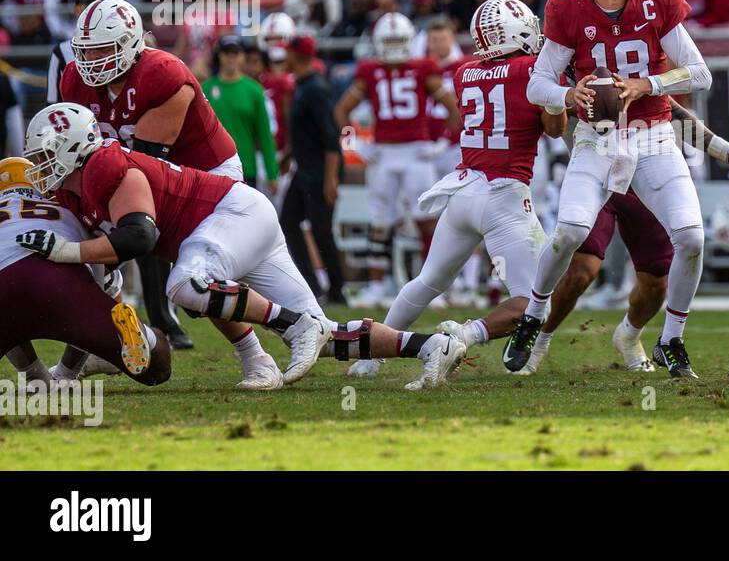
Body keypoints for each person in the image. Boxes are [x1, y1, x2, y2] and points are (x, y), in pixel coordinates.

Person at [20, 104, 467, 390]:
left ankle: (292, 328)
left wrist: (68, 252)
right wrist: (68, 367)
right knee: (324, 334)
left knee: (186, 285)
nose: (39, 166)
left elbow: (140, 237)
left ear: (74, 150)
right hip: (234, 222)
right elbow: (105, 268)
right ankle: (429, 347)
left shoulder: (104, 166)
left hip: (229, 216)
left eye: (45, 155)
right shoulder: (74, 190)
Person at [513, 0, 715, 378]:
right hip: (596, 141)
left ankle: (672, 340)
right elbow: (538, 85)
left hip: (655, 136)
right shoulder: (566, 8)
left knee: (692, 238)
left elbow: (700, 73)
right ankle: (533, 316)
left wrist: (647, 83)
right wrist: (569, 95)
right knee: (568, 232)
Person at [348, 0, 564, 378]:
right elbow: (554, 130)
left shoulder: (464, 72)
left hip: (463, 192)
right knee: (534, 303)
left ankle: (372, 355)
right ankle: (461, 335)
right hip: (505, 197)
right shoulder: (532, 69)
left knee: (428, 281)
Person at [522, 98, 729, 374]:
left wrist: (725, 151)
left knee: (655, 283)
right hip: (596, 182)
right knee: (581, 270)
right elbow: (550, 120)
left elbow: (673, 112)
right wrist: (561, 101)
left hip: (644, 184)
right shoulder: (568, 64)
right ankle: (538, 340)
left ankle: (628, 335)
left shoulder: (637, 67)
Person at [61, 0, 244, 355]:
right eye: (88, 52)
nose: (92, 62)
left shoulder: (162, 74)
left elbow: (145, 172)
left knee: (199, 281)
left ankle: (281, 337)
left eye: (104, 51)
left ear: (130, 45)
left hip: (207, 177)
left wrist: (109, 240)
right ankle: (103, 353)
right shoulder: (75, 82)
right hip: (144, 176)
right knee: (103, 259)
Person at [0, 157, 172, 388]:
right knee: (157, 367)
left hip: (4, 285)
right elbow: (102, 277)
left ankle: (35, 377)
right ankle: (146, 338)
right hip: (60, 284)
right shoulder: (68, 207)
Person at [334, 12, 459, 306]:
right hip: (385, 153)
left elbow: (452, 108)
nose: (392, 46)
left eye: (397, 40)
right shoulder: (370, 70)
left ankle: (431, 285)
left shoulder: (422, 67)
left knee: (426, 220)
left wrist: (442, 143)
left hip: (416, 152)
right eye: (388, 40)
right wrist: (355, 144)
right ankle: (379, 286)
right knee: (379, 221)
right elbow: (341, 111)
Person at [279, 34, 347, 305]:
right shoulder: (304, 85)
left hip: (320, 171)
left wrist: (331, 179)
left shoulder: (316, 89)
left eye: (288, 53)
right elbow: (305, 131)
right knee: (288, 221)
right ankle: (313, 285)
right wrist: (289, 154)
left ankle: (337, 290)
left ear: (296, 55)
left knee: (321, 229)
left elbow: (331, 135)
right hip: (304, 168)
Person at [201, 36, 279, 192]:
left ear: (243, 57)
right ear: (219, 56)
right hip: (212, 167)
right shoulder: (205, 89)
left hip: (245, 167)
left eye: (235, 53)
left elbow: (264, 135)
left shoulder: (255, 91)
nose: (231, 57)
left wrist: (272, 173)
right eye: (226, 53)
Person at [47, 0, 111, 104]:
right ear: (76, 10)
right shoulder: (61, 51)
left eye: (100, 6)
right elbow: (53, 104)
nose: (94, 12)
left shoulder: (123, 44)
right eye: (89, 7)